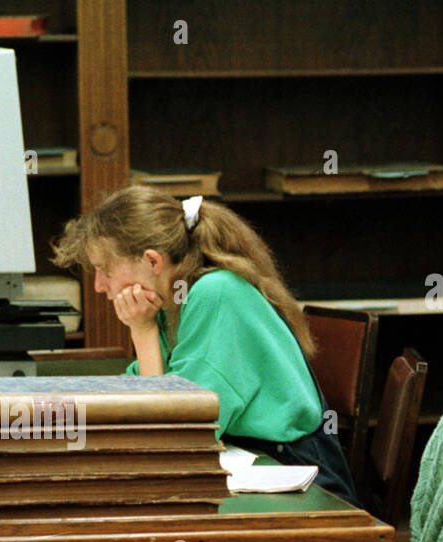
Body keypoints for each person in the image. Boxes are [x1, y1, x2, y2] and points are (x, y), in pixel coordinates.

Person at [51, 185, 360, 506]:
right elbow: (142, 405)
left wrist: (142, 333)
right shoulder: (175, 301)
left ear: (152, 261)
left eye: (104, 269)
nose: (99, 286)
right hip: (263, 468)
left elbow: (175, 438)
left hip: (308, 488)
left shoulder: (216, 294)